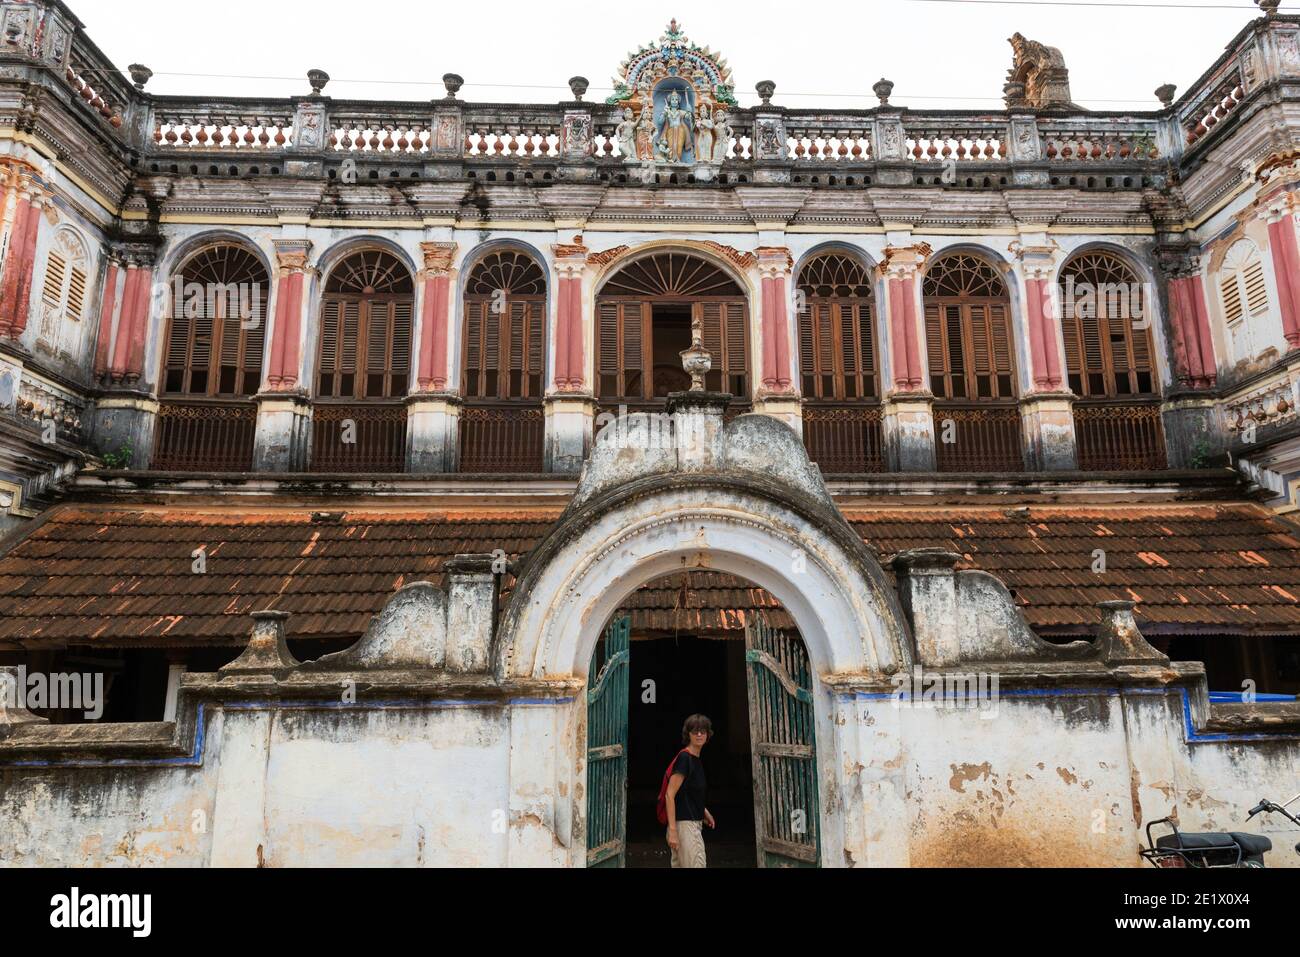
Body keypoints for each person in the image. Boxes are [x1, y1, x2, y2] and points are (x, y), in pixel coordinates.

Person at [665, 714, 716, 868]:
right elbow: (670, 794)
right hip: (685, 827)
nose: (699, 734)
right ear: (688, 735)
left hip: (689, 824)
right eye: (695, 731)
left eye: (703, 731)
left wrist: (703, 811)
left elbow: (687, 793)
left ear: (708, 735)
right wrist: (673, 830)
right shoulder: (685, 759)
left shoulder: (695, 759)